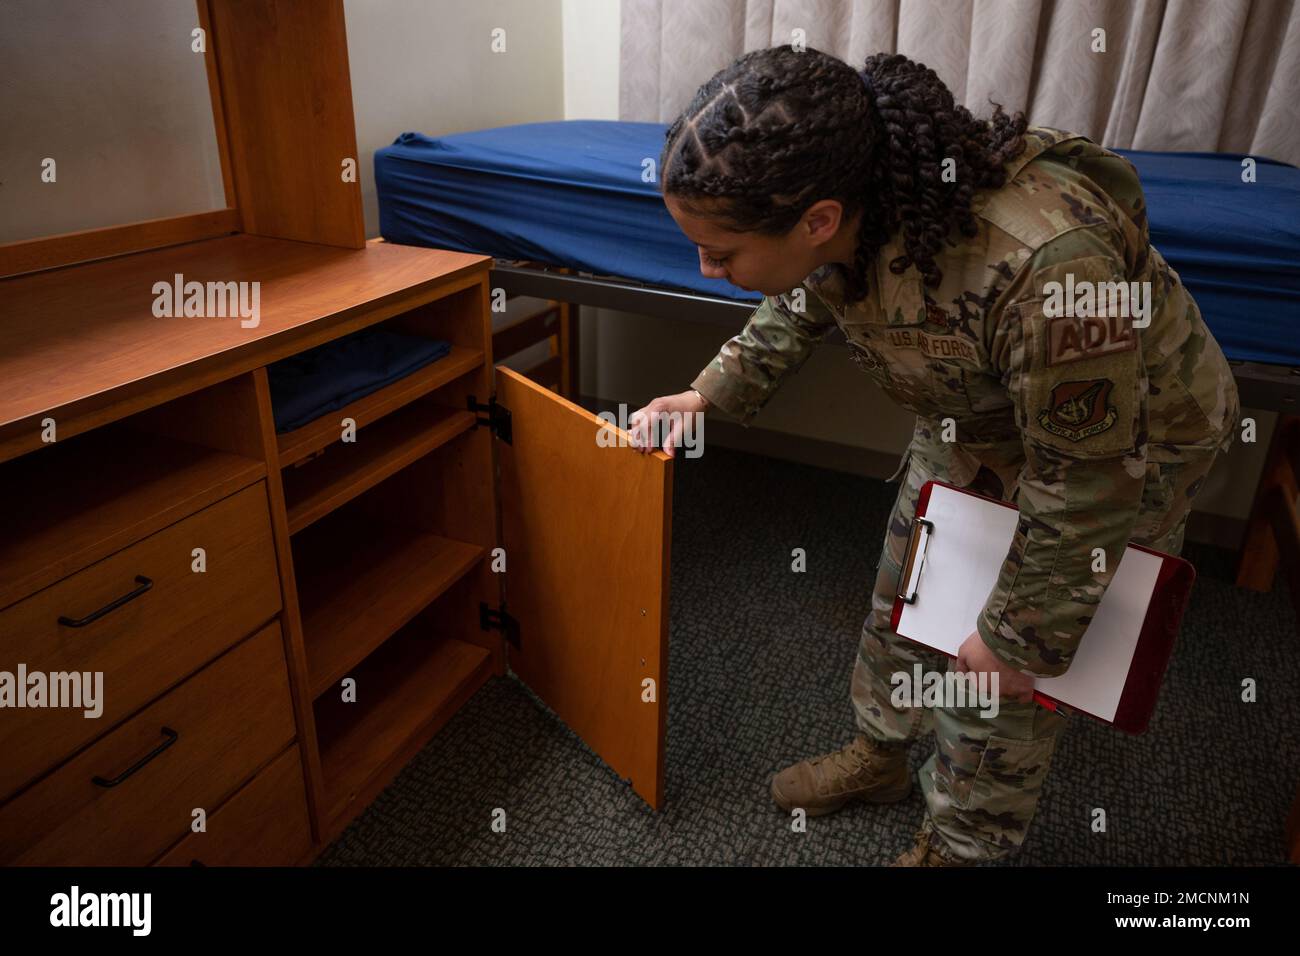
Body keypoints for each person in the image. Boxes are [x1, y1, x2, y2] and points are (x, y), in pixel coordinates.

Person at [627, 47, 1239, 866]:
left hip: (1123, 448)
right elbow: (804, 297)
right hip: (978, 417)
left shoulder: (1046, 267)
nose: (705, 268)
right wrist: (706, 395)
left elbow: (1085, 483)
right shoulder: (852, 213)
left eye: (721, 252)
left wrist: (1022, 638)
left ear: (815, 217)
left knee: (996, 678)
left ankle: (958, 846)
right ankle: (881, 757)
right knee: (906, 596)